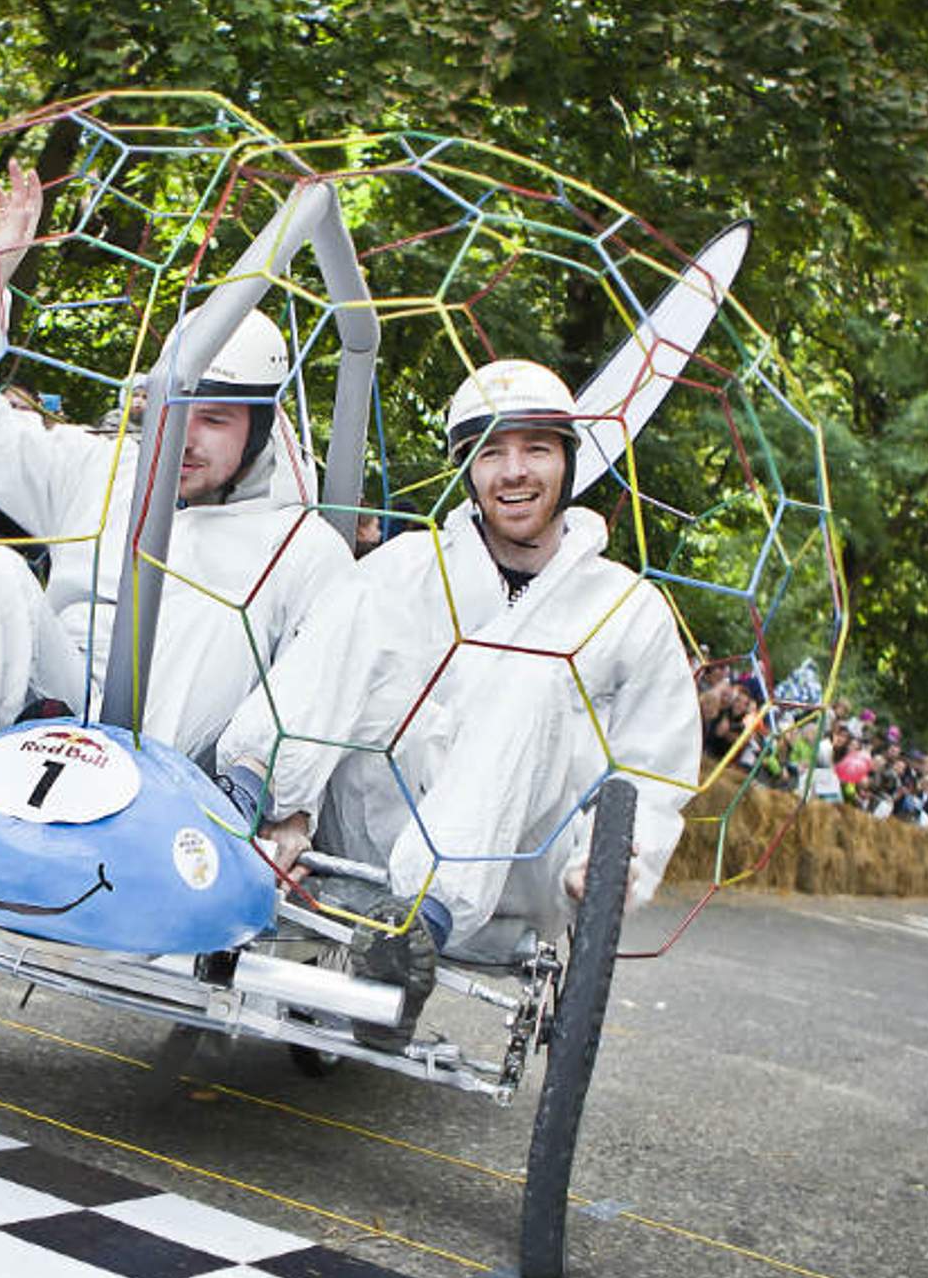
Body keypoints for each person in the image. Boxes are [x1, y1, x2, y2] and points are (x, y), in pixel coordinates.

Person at [0, 163, 351, 818]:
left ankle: (138, 815)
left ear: (258, 432)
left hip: (174, 776)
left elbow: (318, 686)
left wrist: (284, 806)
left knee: (211, 612)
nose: (186, 438)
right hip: (56, 712)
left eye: (215, 419)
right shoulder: (99, 468)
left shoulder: (300, 544)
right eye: (176, 411)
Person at [217, 358, 701, 1047]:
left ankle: (414, 935)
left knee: (532, 680)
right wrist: (295, 806)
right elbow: (329, 674)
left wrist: (620, 858)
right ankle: (240, 803)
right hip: (370, 833)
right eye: (490, 452)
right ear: (467, 471)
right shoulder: (410, 566)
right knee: (360, 610)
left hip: (512, 870)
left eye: (535, 448)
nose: (513, 472)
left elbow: (655, 764)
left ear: (569, 461)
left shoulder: (629, 609)